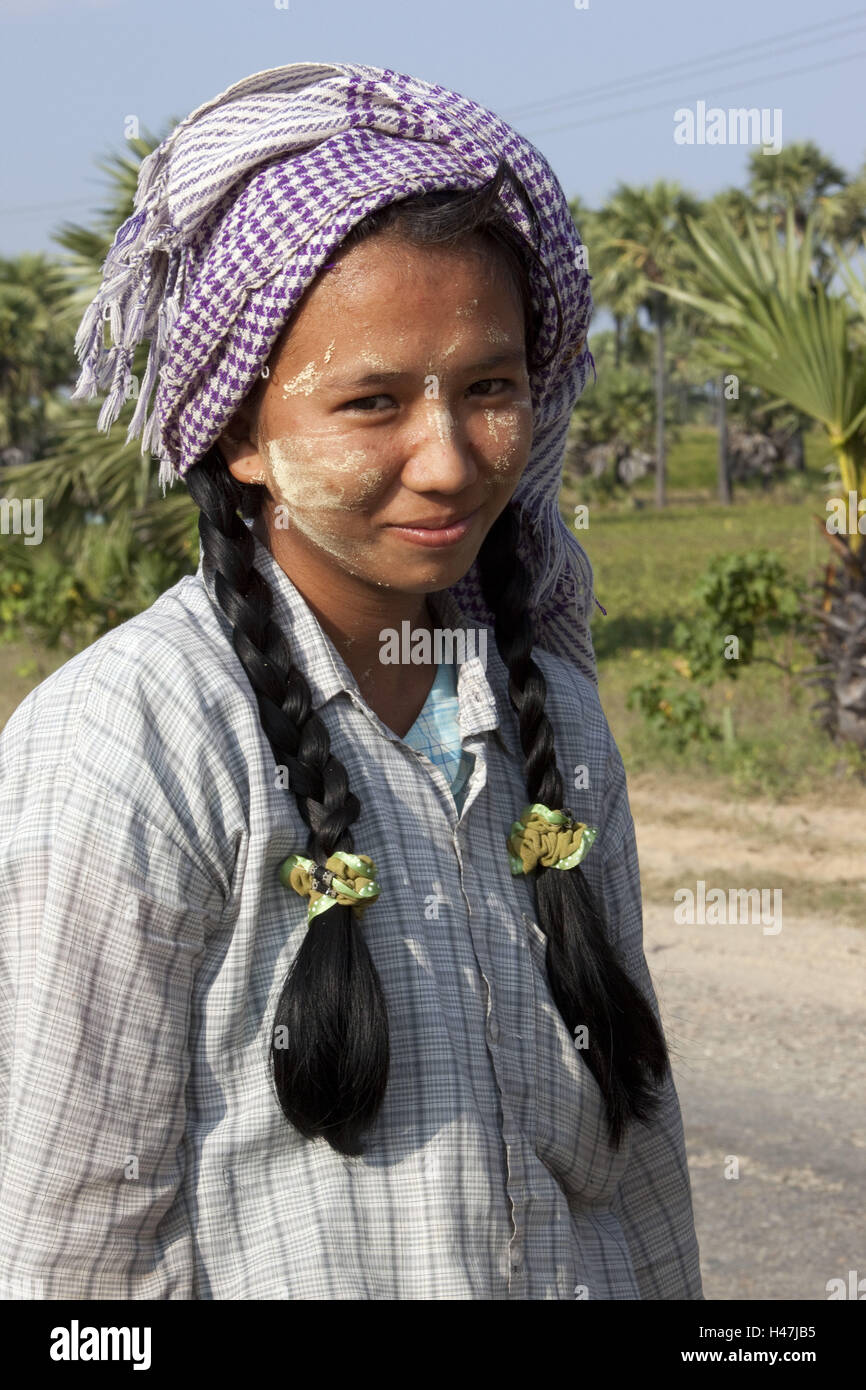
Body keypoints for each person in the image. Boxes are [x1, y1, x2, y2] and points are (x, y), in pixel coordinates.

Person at [0, 62, 703, 1300]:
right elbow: (76, 1244)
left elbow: (635, 1162)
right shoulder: (132, 740)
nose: (445, 461)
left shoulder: (557, 722)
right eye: (370, 402)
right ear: (241, 433)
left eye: (489, 388)